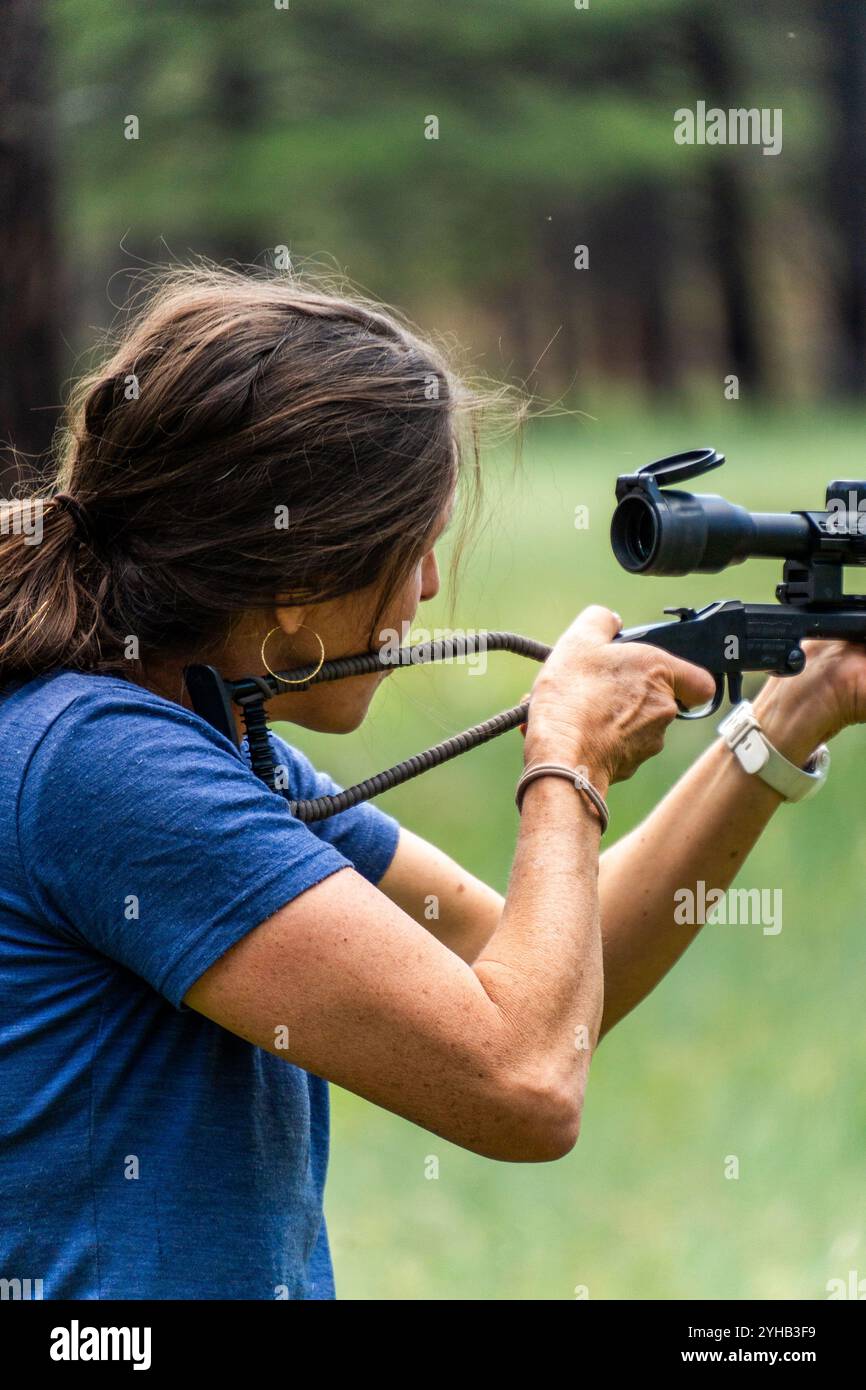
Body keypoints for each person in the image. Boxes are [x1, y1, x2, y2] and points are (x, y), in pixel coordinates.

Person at [1, 266, 863, 1301]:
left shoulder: (198, 730)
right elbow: (523, 1082)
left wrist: (782, 719)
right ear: (291, 578)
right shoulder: (109, 766)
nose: (428, 587)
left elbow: (535, 967)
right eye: (413, 547)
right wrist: (565, 766)